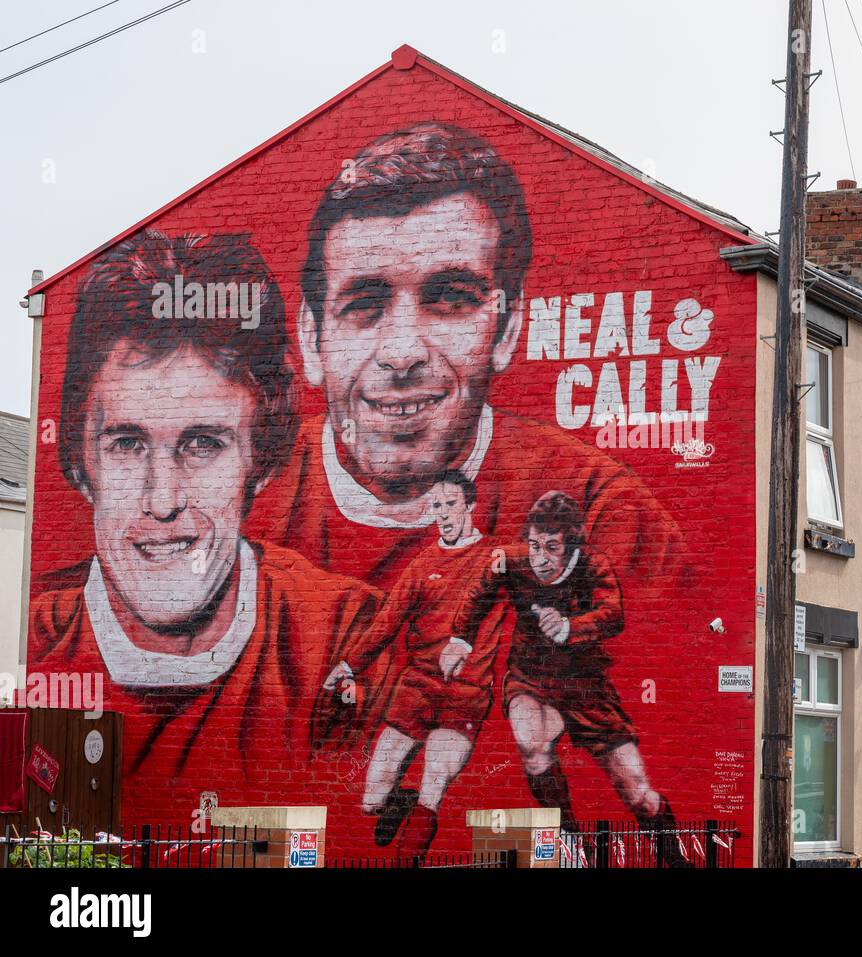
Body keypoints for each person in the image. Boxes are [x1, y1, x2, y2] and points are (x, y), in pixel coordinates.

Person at [245, 120, 682, 592]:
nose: (401, 353)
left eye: (451, 301)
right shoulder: (236, 499)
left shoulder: (603, 512)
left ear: (506, 329)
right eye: (364, 306)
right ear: (311, 339)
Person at [29, 230, 380, 789]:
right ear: (80, 463)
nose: (163, 499)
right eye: (127, 444)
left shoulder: (347, 638)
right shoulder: (37, 640)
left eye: (203, 444)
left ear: (259, 462)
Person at [446, 491, 686, 864]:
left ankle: (674, 857)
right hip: (531, 678)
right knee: (532, 744)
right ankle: (571, 837)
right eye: (534, 544)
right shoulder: (513, 560)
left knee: (639, 794)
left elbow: (612, 613)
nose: (540, 557)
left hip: (586, 688)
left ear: (570, 545)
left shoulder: (593, 566)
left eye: (551, 547)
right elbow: (481, 588)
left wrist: (570, 627)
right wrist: (460, 639)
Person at [317, 470, 505, 857]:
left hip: (464, 695)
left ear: (470, 505)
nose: (444, 514)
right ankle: (397, 802)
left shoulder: (496, 559)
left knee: (433, 785)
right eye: (436, 506)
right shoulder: (422, 566)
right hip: (416, 688)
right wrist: (348, 665)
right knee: (371, 801)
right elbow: (386, 622)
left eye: (451, 504)